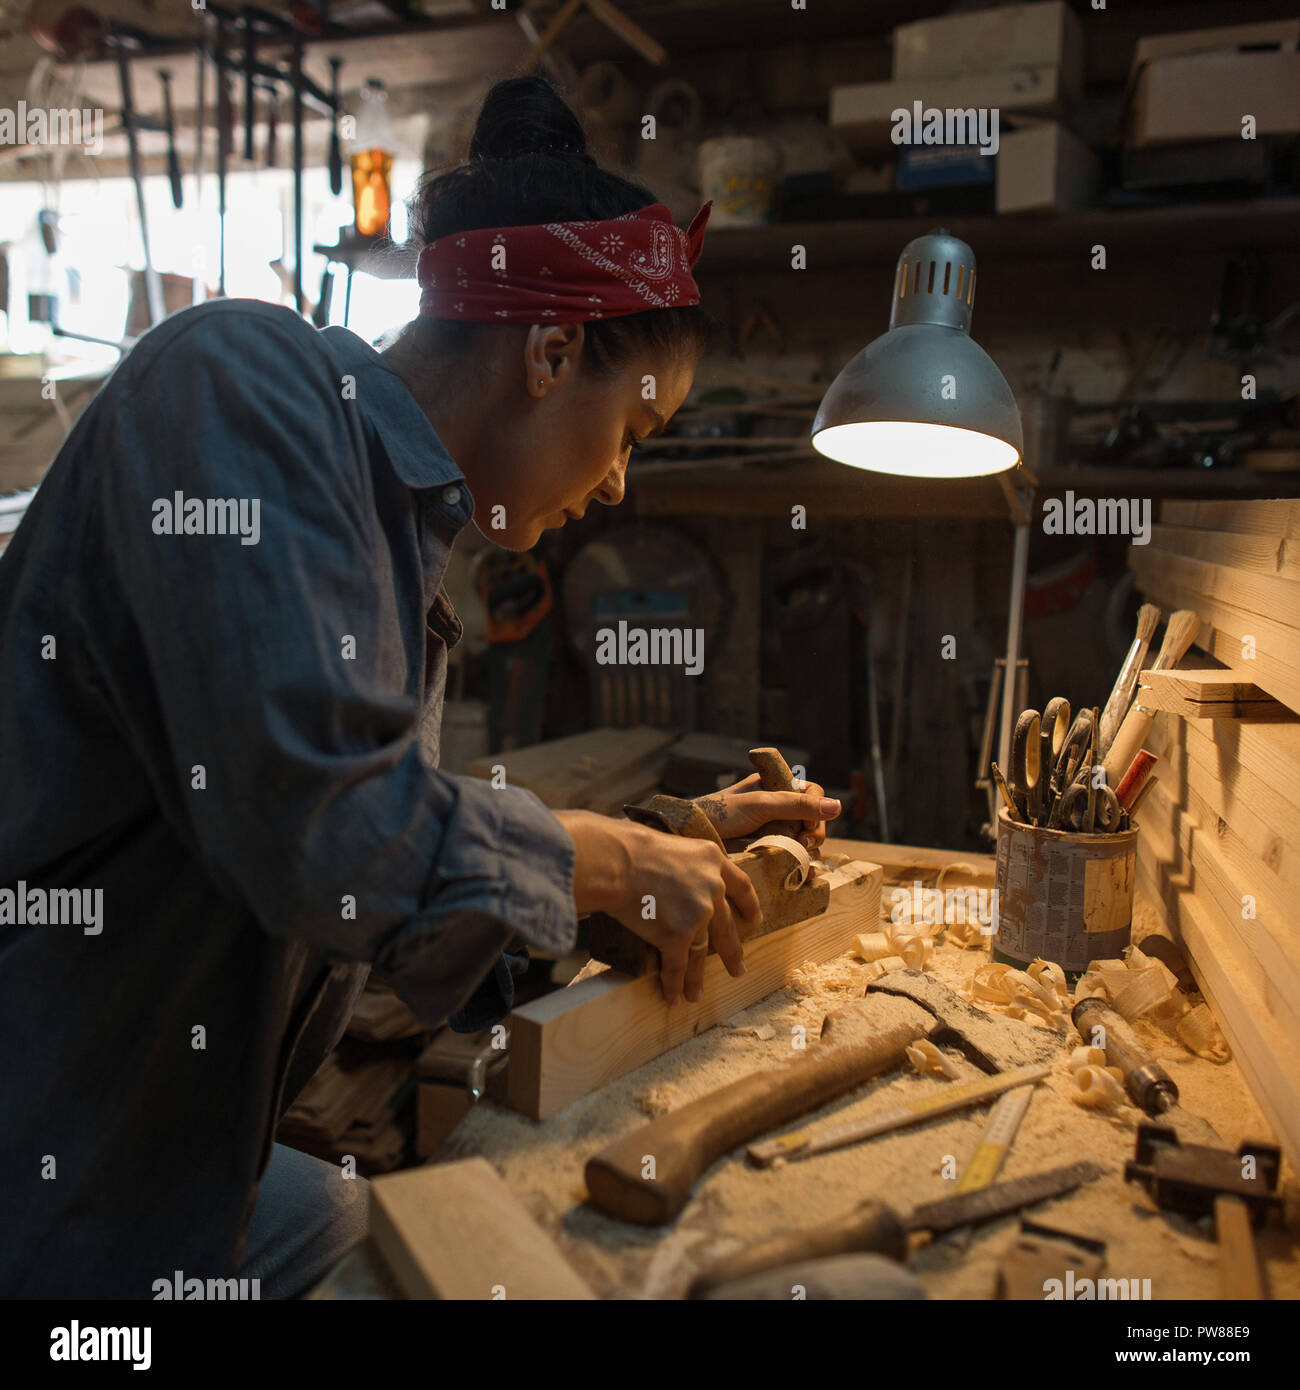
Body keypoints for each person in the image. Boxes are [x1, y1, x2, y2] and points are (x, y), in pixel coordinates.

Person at [0, 76, 839, 1300]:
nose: (615, 490)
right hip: (57, 1166)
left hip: (189, 1156)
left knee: (390, 1236)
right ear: (550, 352)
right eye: (636, 434)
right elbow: (328, 838)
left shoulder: (395, 542)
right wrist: (599, 858)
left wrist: (673, 849)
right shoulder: (239, 385)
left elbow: (399, 914)